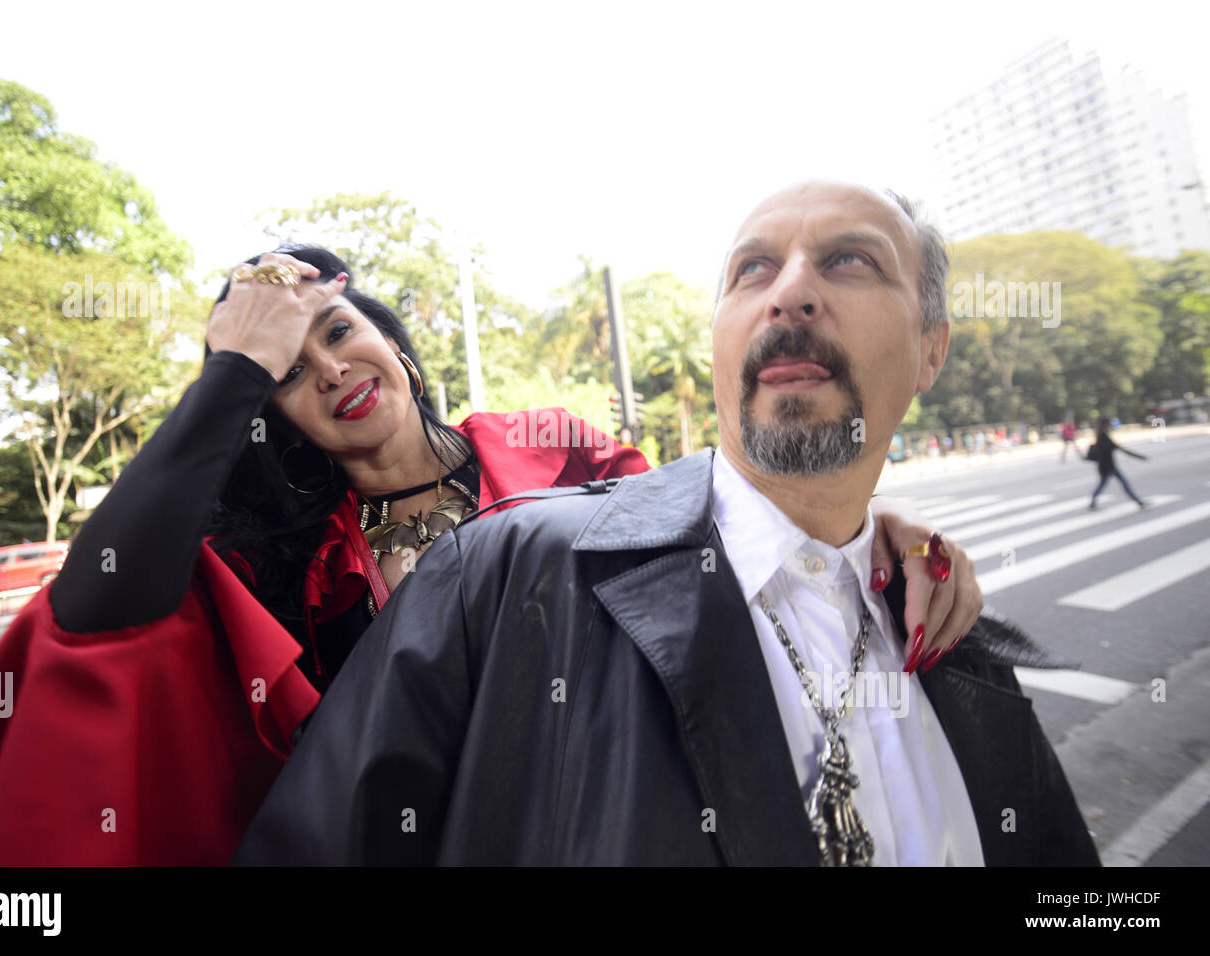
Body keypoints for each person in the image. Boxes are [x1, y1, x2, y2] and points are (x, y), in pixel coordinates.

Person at [0, 245, 976, 866]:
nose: (329, 368)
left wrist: (871, 531)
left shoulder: (565, 457)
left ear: (394, 342)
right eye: (289, 368)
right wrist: (233, 363)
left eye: (340, 328)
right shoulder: (289, 579)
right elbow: (94, 616)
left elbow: (735, 527)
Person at [236, 183, 1099, 866]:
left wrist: (857, 525)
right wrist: (229, 377)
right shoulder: (437, 567)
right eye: (753, 270)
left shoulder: (951, 637)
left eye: (849, 262)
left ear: (930, 349)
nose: (792, 291)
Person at [1087, 417, 1147, 509]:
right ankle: (1138, 501)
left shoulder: (1101, 436)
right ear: (1106, 425)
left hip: (1106, 467)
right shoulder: (1104, 438)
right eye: (1109, 424)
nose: (1111, 426)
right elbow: (1121, 449)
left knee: (1109, 484)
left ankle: (1138, 501)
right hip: (1108, 467)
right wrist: (1139, 457)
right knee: (1121, 484)